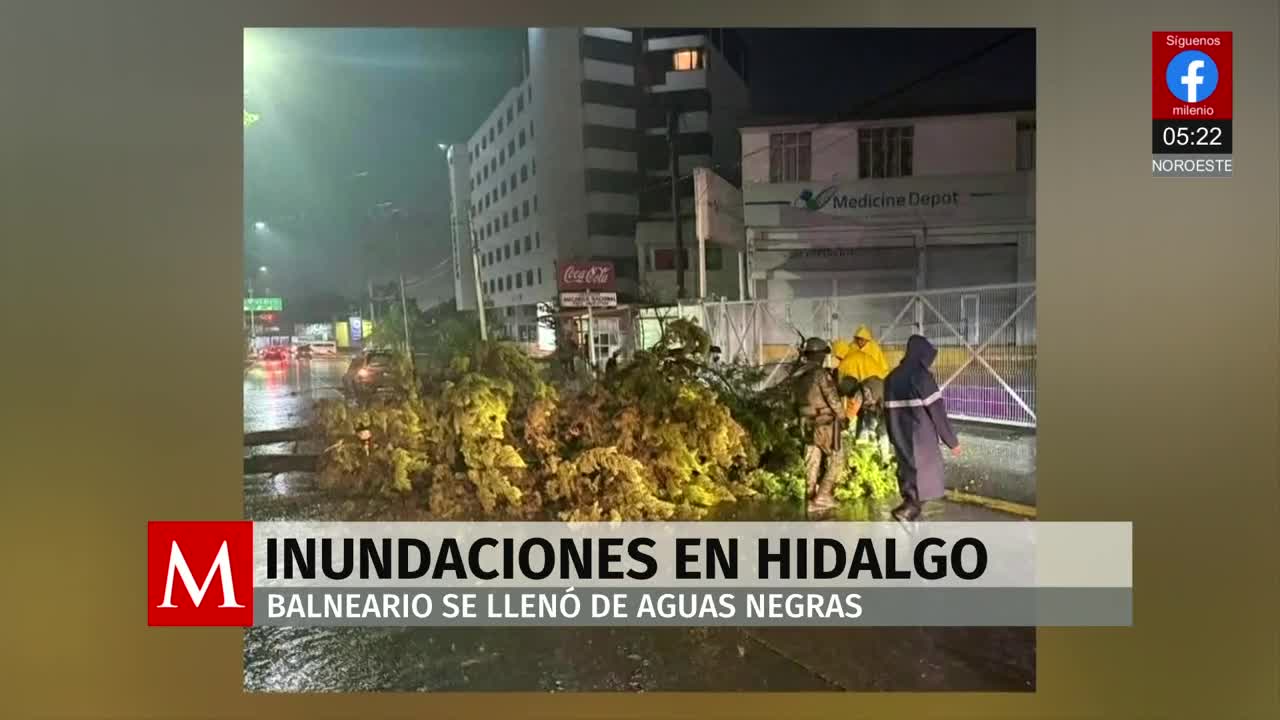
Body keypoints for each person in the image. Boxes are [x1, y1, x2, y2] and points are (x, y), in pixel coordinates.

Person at [883, 335, 961, 524]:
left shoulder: (892, 377)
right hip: (921, 436)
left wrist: (893, 436)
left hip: (899, 433)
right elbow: (937, 411)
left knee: (908, 471)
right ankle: (907, 511)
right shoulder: (921, 376)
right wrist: (952, 441)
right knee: (926, 474)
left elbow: (886, 411)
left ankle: (911, 513)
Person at [794, 337, 845, 513]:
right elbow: (833, 398)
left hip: (805, 424)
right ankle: (823, 496)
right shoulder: (820, 374)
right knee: (837, 459)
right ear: (820, 355)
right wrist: (842, 417)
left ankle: (810, 499)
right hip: (824, 424)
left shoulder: (798, 375)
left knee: (812, 462)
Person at [836, 325, 891, 441]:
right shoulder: (854, 351)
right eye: (858, 339)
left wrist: (845, 421)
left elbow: (854, 402)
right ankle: (880, 441)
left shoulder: (846, 362)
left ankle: (868, 438)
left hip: (871, 386)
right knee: (878, 417)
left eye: (863, 339)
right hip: (878, 385)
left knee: (869, 418)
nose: (860, 342)